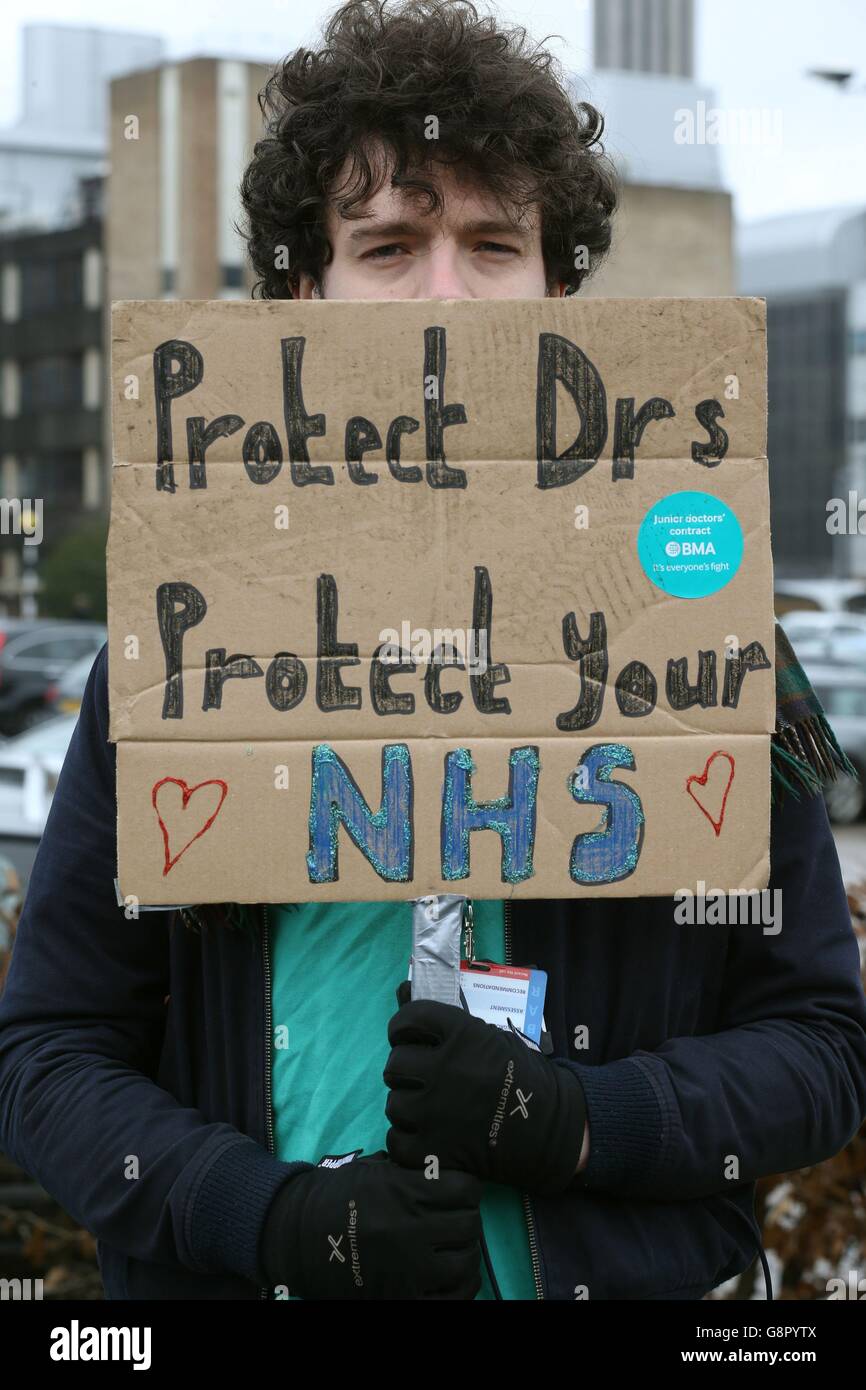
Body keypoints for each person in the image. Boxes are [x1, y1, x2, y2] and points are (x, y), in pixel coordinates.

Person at [1, 0, 865, 1302]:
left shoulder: (729, 635)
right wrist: (276, 1218)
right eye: (391, 245)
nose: (445, 295)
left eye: (491, 243)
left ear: (555, 290)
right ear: (307, 292)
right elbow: (49, 1052)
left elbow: (825, 1041)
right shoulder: (170, 638)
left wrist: (575, 1117)